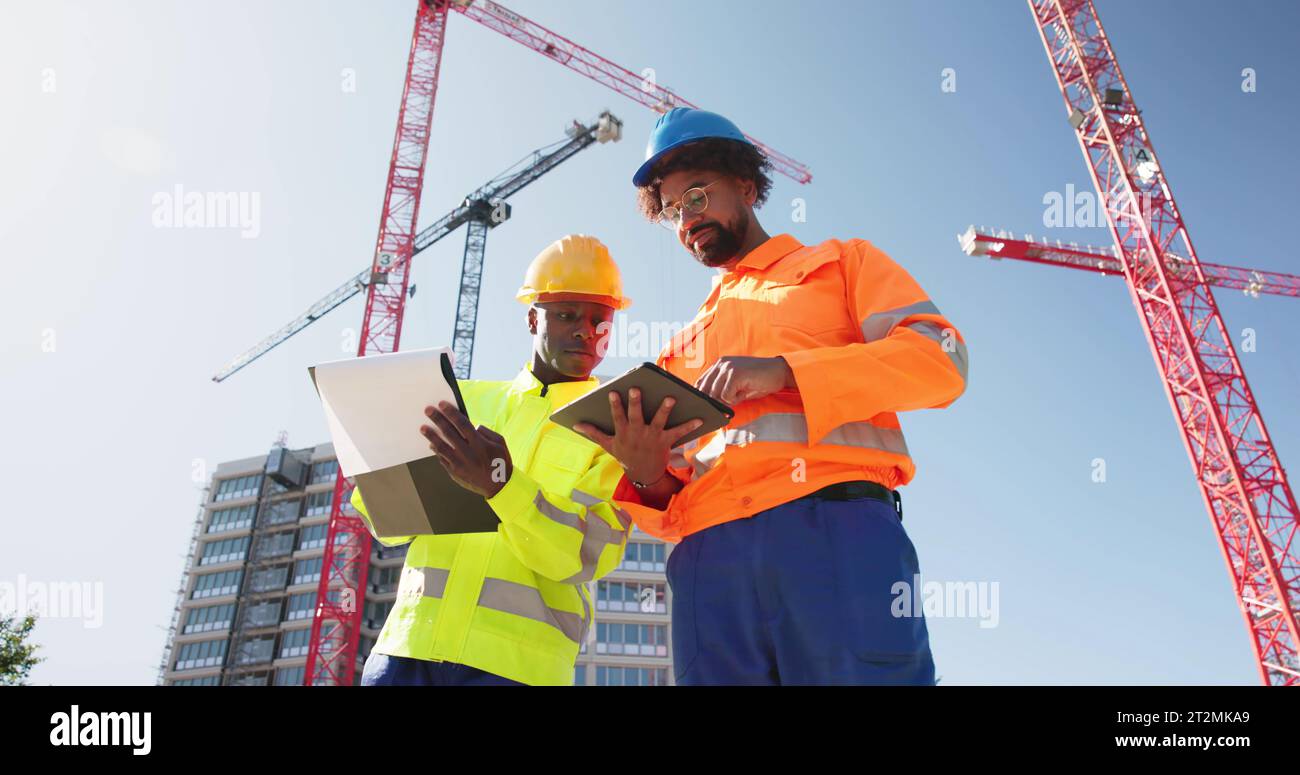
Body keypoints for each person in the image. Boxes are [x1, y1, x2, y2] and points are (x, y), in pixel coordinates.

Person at [574, 108, 970, 685]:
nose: (686, 221)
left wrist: (787, 371)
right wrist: (644, 472)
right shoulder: (677, 349)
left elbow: (942, 361)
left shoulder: (840, 265)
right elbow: (669, 495)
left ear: (748, 185)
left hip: (835, 535)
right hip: (707, 565)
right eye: (672, 212)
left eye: (698, 198)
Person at [354, 234, 634, 686]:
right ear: (531, 319)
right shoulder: (459, 400)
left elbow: (587, 555)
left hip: (518, 667)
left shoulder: (615, 430)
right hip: (406, 651)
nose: (585, 330)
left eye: (599, 319)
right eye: (566, 315)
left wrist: (502, 488)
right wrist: (379, 455)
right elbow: (382, 519)